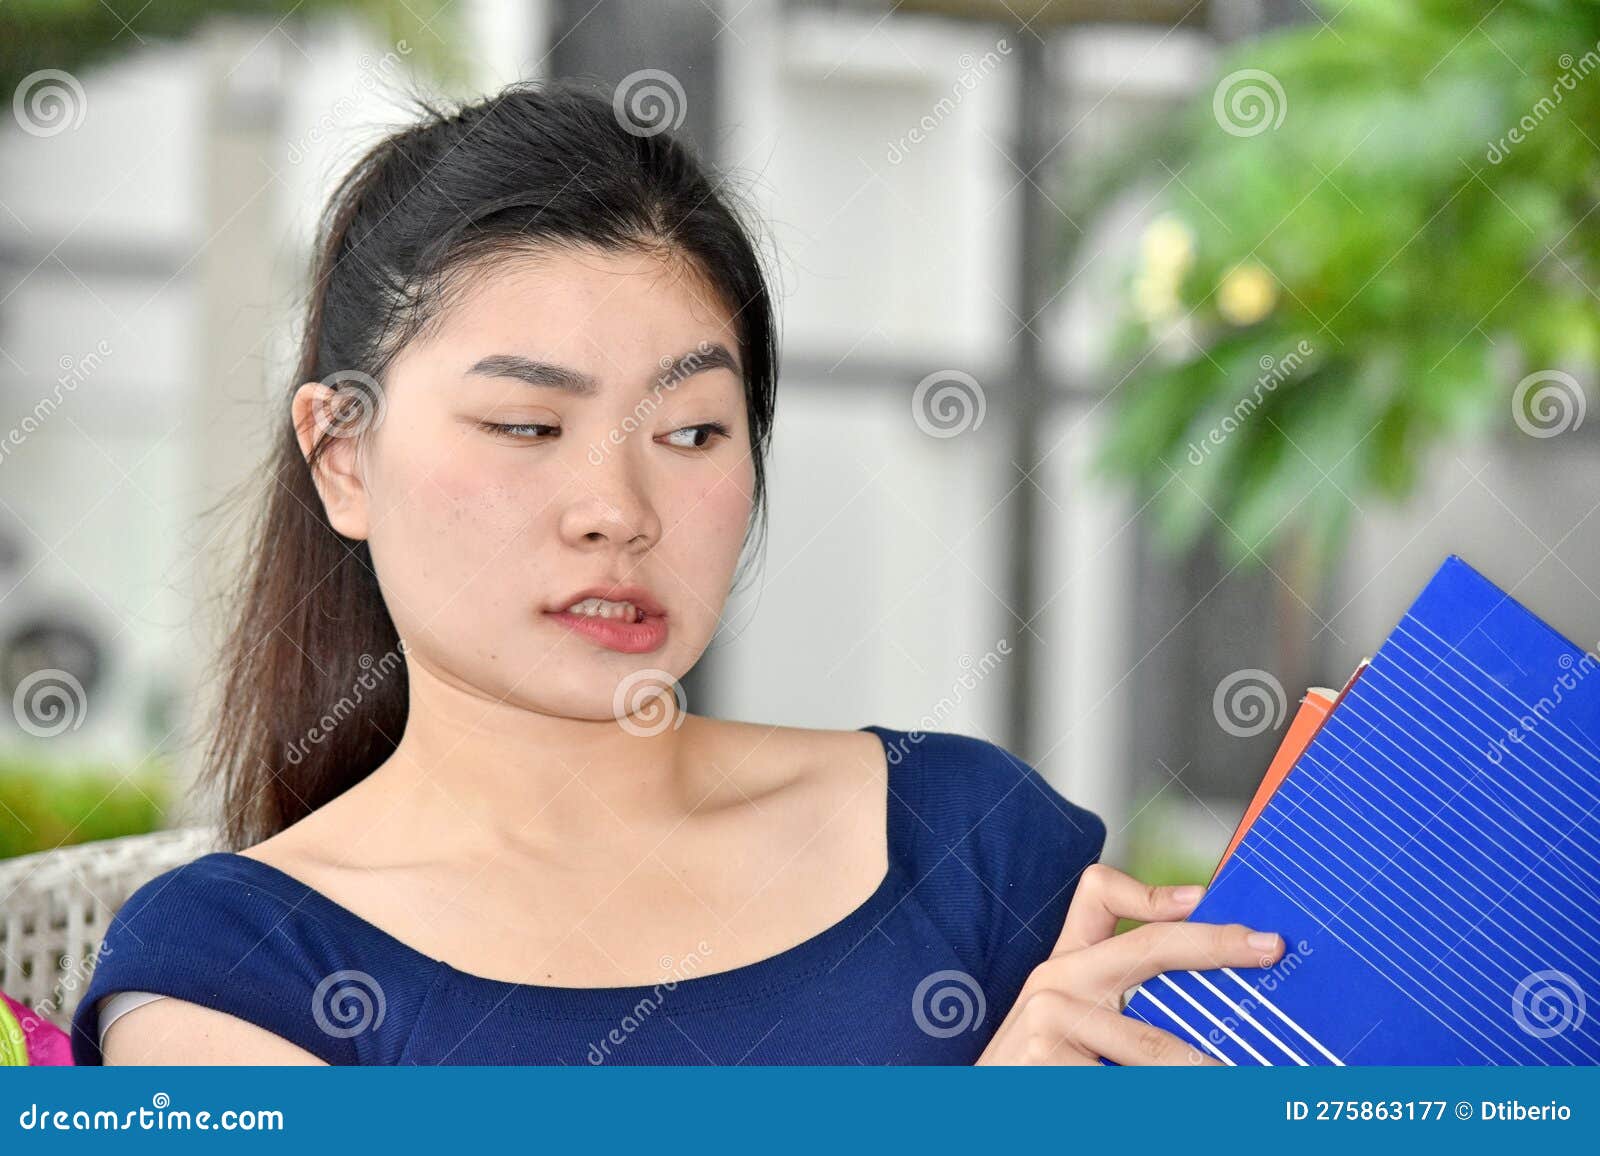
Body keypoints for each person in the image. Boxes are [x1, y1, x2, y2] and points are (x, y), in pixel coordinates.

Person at [69, 80, 1281, 1066]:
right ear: (343, 457)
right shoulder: (234, 975)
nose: (616, 511)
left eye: (693, 432)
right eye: (527, 428)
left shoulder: (967, 841)